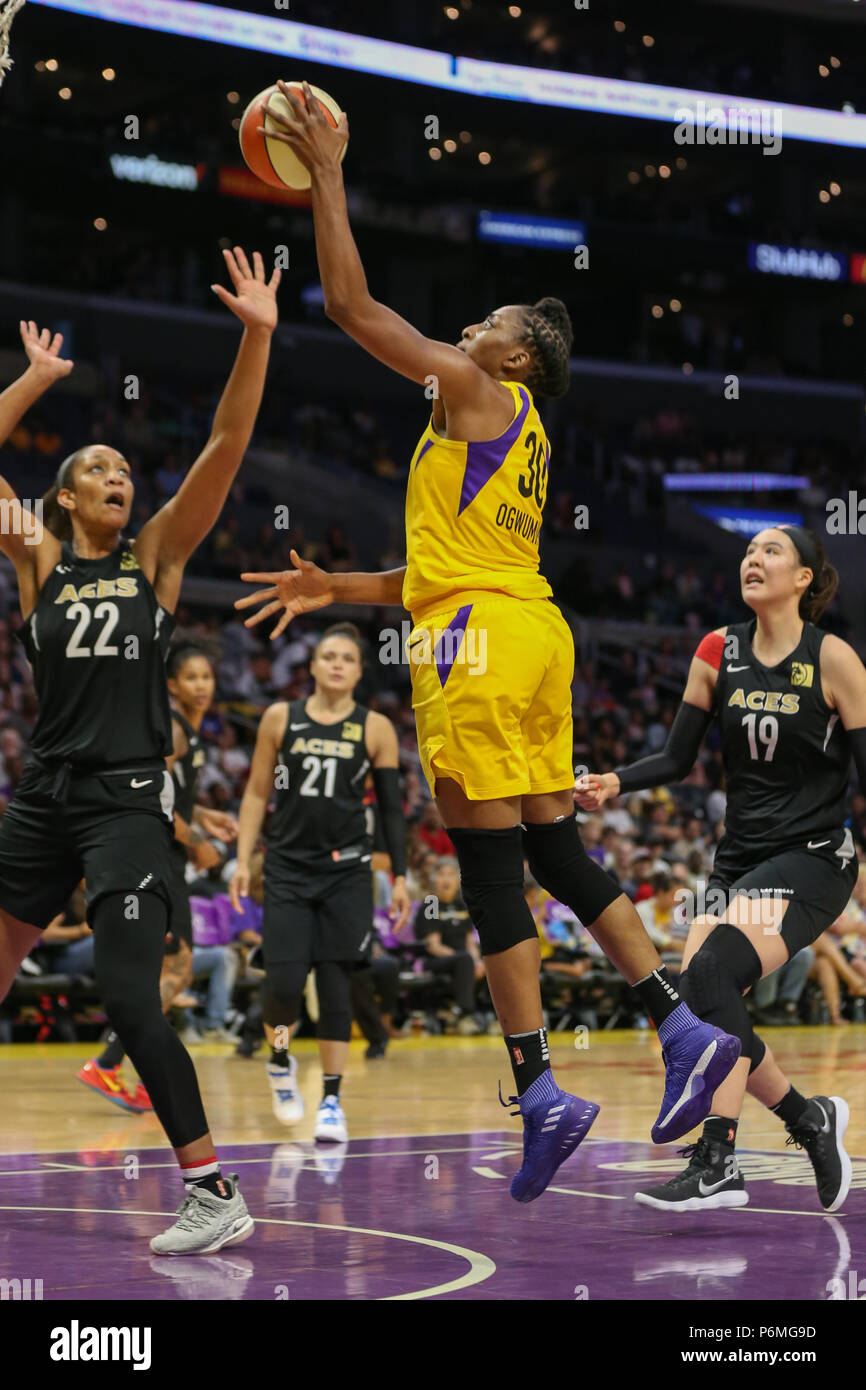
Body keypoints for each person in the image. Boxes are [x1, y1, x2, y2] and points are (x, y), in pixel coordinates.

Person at [233, 81, 740, 1204]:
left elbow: (353, 307)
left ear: (511, 359)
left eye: (490, 327)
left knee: (486, 860)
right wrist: (338, 586)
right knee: (553, 849)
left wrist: (323, 171)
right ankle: (678, 1026)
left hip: (471, 643)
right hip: (524, 631)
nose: (469, 329)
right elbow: (436, 571)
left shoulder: (465, 383)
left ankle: (543, 1088)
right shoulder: (516, 430)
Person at [0, 245, 279, 1255]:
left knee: (125, 993)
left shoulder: (155, 556)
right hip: (44, 795)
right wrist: (30, 383)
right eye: (98, 470)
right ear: (66, 496)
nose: (118, 475)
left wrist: (256, 333)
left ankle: (211, 1186)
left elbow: (226, 442)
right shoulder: (34, 559)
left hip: (125, 803)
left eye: (123, 469)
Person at [577, 524, 864, 1212]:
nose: (753, 559)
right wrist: (616, 780)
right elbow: (679, 759)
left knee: (709, 974)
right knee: (703, 999)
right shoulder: (718, 650)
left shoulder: (835, 661)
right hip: (740, 856)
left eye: (771, 551)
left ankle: (718, 1159)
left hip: (814, 858)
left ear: (803, 579)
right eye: (747, 551)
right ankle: (807, 1118)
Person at [229, 623, 410, 1141]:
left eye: (346, 658)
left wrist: (398, 875)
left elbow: (393, 812)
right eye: (327, 655)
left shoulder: (374, 727)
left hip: (347, 870)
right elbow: (256, 793)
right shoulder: (279, 717)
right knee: (283, 985)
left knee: (337, 986)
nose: (335, 664)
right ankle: (280, 1060)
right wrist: (243, 860)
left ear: (357, 670)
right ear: (311, 666)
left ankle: (331, 1100)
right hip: (286, 866)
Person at [77, 638, 237, 1103]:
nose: (201, 685)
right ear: (172, 684)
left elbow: (176, 794)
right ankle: (107, 1065)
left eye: (206, 677)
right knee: (176, 967)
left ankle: (127, 1068)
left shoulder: (189, 729)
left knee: (166, 969)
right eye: (191, 677)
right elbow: (150, 794)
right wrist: (199, 842)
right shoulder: (173, 729)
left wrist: (204, 815)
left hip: (161, 860)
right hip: (156, 861)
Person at [413, 856, 485, 1034]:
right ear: (434, 878)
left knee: (490, 961)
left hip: (462, 960)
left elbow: (470, 941)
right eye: (442, 874)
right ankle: (465, 1015)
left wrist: (477, 961)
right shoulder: (432, 903)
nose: (446, 879)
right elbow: (433, 945)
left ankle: (491, 1016)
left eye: (451, 875)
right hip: (436, 960)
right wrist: (465, 959)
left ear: (458, 878)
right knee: (465, 960)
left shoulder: (461, 904)